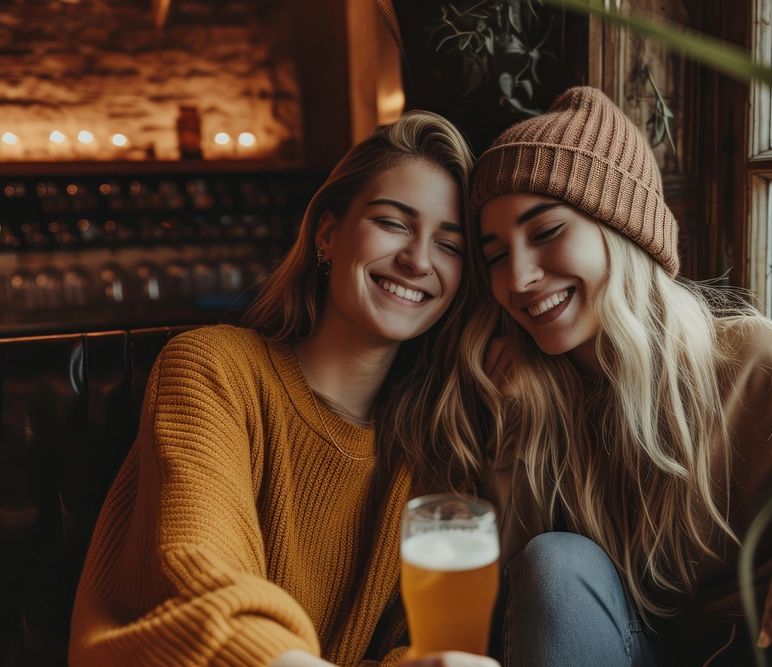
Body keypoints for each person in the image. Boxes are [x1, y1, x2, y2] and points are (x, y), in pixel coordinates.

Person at [448, 86, 772, 666]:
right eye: (495, 254)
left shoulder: (750, 361)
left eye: (545, 232)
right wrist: (514, 430)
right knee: (554, 564)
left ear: (621, 234)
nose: (517, 277)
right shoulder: (529, 398)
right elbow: (520, 609)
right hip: (635, 652)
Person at [69, 111, 497, 667]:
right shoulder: (213, 368)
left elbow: (412, 650)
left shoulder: (436, 443)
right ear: (328, 232)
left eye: (450, 245)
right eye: (394, 223)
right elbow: (201, 575)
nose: (418, 259)